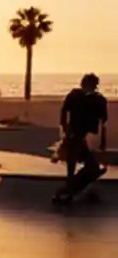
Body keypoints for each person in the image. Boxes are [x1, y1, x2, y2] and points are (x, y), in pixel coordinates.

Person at [55, 73, 109, 201]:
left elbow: (103, 123)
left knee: (94, 168)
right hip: (74, 136)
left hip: (79, 137)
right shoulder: (75, 96)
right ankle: (68, 189)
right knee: (74, 161)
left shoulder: (98, 100)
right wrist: (65, 127)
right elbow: (64, 113)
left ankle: (69, 188)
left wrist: (103, 142)